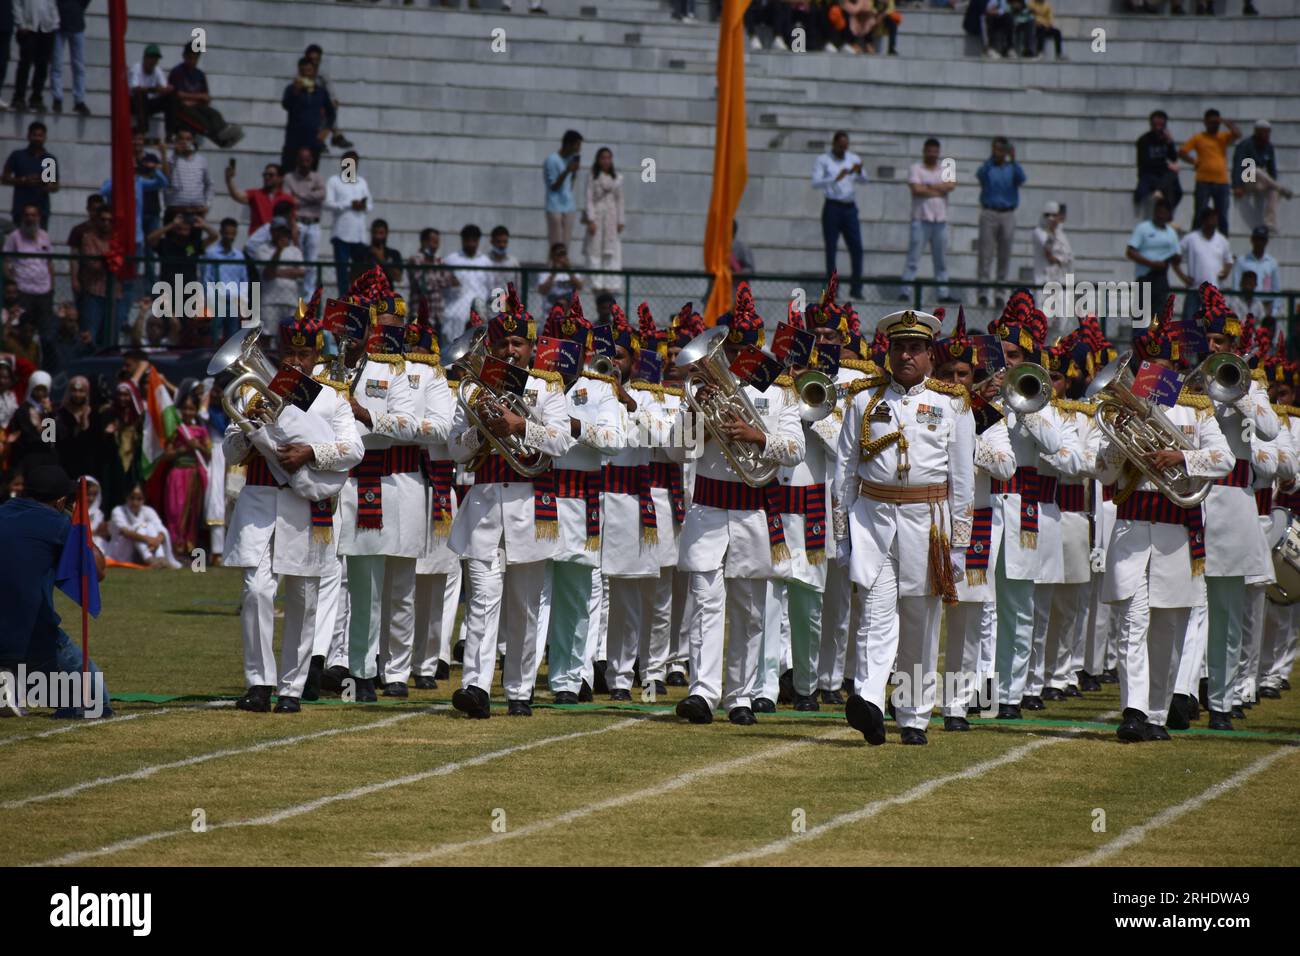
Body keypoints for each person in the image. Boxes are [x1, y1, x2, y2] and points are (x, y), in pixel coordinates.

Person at [832, 307, 974, 744]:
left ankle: (913, 716)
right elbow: (844, 470)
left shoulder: (952, 404)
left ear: (930, 354)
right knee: (873, 614)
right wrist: (841, 535)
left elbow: (963, 480)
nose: (906, 356)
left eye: (915, 348)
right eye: (898, 348)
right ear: (888, 351)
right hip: (873, 518)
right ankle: (870, 702)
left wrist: (958, 546)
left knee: (920, 618)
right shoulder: (863, 398)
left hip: (927, 521)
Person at [671, 287, 805, 726]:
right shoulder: (701, 388)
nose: (738, 352)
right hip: (709, 507)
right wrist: (700, 425)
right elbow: (677, 450)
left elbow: (795, 450)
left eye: (746, 345)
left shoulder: (780, 389)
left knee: (749, 609)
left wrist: (758, 437)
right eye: (731, 346)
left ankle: (741, 695)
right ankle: (702, 692)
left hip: (753, 509)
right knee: (706, 603)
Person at [1095, 314, 1231, 741]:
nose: (1152, 372)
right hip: (1133, 526)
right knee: (1132, 623)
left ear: (1173, 367)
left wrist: (1182, 459)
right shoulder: (1120, 410)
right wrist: (1118, 446)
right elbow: (1102, 473)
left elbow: (1224, 459)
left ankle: (1155, 714)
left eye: (1160, 364)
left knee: (1168, 627)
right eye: (1146, 363)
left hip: (1175, 529)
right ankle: (1132, 710)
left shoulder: (1197, 411)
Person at [222, 307, 364, 712]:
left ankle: (291, 687)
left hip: (305, 502)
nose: (295, 361)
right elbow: (230, 451)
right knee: (256, 591)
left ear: (316, 355)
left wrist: (310, 452)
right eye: (290, 352)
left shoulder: (330, 397)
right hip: (260, 500)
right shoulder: (252, 391)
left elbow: (353, 449)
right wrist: (247, 430)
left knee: (303, 597)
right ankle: (258, 683)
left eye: (304, 354)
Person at [447, 301, 576, 718]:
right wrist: (480, 433)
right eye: (502, 342)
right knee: (482, 601)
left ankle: (520, 690)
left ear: (532, 346)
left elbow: (561, 443)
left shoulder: (547, 387)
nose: (509, 350)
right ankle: (476, 688)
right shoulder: (473, 386)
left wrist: (521, 426)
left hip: (530, 504)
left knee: (524, 606)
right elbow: (452, 448)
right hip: (484, 505)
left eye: (517, 343)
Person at [1172, 284, 1278, 732]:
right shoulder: (1182, 382)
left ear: (1234, 346)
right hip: (1190, 502)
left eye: (1221, 344)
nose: (1213, 349)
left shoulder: (1246, 385)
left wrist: (1243, 394)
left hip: (1233, 505)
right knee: (1188, 607)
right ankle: (1179, 694)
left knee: (1230, 612)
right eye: (1208, 343)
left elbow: (1271, 431)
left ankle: (1223, 699)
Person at [336, 268, 421, 702]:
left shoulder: (399, 370)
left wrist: (366, 416)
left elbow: (409, 426)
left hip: (398, 483)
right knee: (362, 586)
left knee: (401, 588)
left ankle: (398, 671)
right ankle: (360, 672)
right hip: (350, 482)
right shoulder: (328, 364)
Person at [542, 299, 625, 705]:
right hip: (538, 495)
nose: (561, 354)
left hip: (580, 499)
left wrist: (573, 424)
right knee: (535, 594)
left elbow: (614, 440)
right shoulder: (534, 384)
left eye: (570, 346)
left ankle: (569, 680)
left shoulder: (600, 389)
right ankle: (523, 680)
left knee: (575, 597)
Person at [0, 462, 110, 719]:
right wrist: (75, 523)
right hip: (30, 637)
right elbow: (98, 569)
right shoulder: (57, 523)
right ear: (61, 500)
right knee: (95, 704)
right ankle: (14, 680)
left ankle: (9, 681)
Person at [396, 312, 456, 693]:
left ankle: (428, 663)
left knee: (435, 582)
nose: (416, 355)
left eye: (423, 348)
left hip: (438, 488)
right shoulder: (396, 378)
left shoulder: (443, 385)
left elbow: (444, 429)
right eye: (410, 348)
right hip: (406, 483)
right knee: (402, 582)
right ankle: (394, 663)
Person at [812, 131, 867, 299]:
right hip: (832, 207)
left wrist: (858, 172)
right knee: (831, 249)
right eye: (840, 146)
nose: (843, 149)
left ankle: (856, 287)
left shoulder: (853, 158)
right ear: (834, 144)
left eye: (845, 146)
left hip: (850, 208)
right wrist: (835, 178)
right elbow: (815, 182)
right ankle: (832, 288)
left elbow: (865, 180)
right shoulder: (823, 160)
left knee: (857, 247)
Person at [899, 138, 955, 303]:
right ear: (924, 151)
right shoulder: (916, 168)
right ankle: (905, 290)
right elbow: (916, 189)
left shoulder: (946, 167)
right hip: (921, 220)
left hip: (940, 222)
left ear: (938, 152)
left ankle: (943, 293)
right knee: (913, 258)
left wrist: (927, 187)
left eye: (935, 151)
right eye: (929, 150)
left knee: (941, 261)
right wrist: (939, 188)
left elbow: (950, 186)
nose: (932, 154)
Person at [160, 388, 211, 560]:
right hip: (177, 475)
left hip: (194, 475)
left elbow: (209, 454)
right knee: (175, 511)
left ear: (196, 410)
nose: (188, 412)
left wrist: (198, 446)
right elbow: (166, 455)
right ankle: (175, 550)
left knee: (192, 513)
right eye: (185, 408)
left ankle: (191, 551)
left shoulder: (201, 431)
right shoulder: (175, 430)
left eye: (192, 408)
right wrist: (183, 448)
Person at [975, 137, 1026, 307]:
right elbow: (980, 175)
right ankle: (982, 291)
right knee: (985, 254)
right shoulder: (989, 167)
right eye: (996, 148)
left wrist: (1013, 158)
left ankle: (1000, 292)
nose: (999, 152)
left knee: (1004, 255)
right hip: (989, 212)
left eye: (1002, 148)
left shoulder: (1012, 168)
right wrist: (992, 158)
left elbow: (1022, 178)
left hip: (1008, 213)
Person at [165, 45, 243, 147]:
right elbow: (176, 94)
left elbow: (206, 96)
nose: (192, 61)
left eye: (195, 58)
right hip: (181, 108)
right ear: (184, 56)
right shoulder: (177, 72)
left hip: (197, 105)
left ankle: (224, 133)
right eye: (190, 58)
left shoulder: (199, 74)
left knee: (215, 114)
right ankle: (221, 141)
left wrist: (195, 99)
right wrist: (198, 97)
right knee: (202, 122)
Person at [1179, 109, 1240, 236]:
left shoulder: (1223, 136)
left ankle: (1223, 245)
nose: (1214, 125)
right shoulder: (1198, 137)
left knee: (1222, 215)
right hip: (1203, 181)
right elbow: (1182, 152)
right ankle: (1194, 240)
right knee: (1200, 212)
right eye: (1211, 122)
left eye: (1216, 122)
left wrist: (1225, 122)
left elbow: (1237, 134)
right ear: (1205, 122)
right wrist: (1194, 161)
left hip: (1221, 181)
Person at [3, 203, 55, 347]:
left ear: (38, 217)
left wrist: (52, 287)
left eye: (33, 215)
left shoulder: (45, 236)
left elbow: (51, 184)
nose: (30, 218)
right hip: (23, 291)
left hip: (43, 291)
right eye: (27, 215)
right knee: (19, 328)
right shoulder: (14, 237)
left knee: (47, 334)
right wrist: (12, 280)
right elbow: (5, 261)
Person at [1232, 120, 1292, 237]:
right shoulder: (1245, 145)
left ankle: (1270, 223)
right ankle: (1281, 188)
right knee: (1257, 170)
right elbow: (1238, 166)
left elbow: (1272, 169)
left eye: (1268, 133)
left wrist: (1271, 182)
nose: (1266, 136)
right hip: (1247, 180)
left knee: (1273, 190)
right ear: (1257, 132)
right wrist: (1237, 185)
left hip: (1260, 182)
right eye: (1263, 132)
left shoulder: (1269, 147)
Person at [324, 150, 371, 295]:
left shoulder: (362, 182)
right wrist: (349, 204)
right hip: (342, 234)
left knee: (360, 273)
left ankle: (358, 299)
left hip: (359, 236)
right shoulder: (334, 181)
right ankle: (343, 300)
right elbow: (328, 203)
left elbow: (370, 206)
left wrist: (361, 205)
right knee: (342, 273)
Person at [1125, 196, 1181, 320]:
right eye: (1159, 212)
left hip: (1161, 278)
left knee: (1158, 316)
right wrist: (1150, 263)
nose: (1161, 215)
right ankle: (1139, 338)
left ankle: (1154, 336)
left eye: (1164, 213)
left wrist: (1175, 259)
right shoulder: (1143, 228)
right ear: (1154, 212)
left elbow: (1177, 255)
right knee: (1141, 315)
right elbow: (1130, 251)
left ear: (1168, 215)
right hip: (1145, 276)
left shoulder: (1171, 233)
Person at [1174, 207, 1232, 322]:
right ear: (1203, 221)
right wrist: (1183, 277)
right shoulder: (1190, 238)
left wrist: (1225, 272)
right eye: (1210, 218)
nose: (1213, 221)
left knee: (1212, 326)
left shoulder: (1222, 240)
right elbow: (1175, 258)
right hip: (1194, 289)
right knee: (1189, 324)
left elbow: (1229, 261)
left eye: (1215, 218)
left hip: (1214, 291)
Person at [283, 147, 327, 298]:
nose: (305, 163)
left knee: (312, 263)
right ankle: (295, 295)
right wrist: (310, 196)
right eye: (302, 159)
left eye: (307, 160)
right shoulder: (289, 178)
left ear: (312, 161)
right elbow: (289, 200)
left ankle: (308, 299)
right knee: (296, 259)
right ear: (297, 160)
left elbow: (322, 195)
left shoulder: (317, 177)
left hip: (314, 223)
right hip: (297, 223)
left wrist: (300, 196)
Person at [105, 480, 179, 568]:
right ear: (126, 497)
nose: (135, 503)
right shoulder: (118, 511)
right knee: (138, 527)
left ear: (144, 499)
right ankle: (149, 559)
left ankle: (160, 557)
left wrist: (156, 540)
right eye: (132, 498)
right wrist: (149, 540)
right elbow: (125, 532)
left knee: (150, 526)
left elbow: (161, 529)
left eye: (139, 499)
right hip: (123, 552)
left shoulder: (148, 511)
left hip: (149, 547)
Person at [280, 56, 335, 172]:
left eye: (309, 71)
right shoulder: (291, 89)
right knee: (288, 171)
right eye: (303, 71)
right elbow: (286, 105)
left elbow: (331, 113)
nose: (306, 74)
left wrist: (326, 130)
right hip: (293, 139)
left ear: (314, 72)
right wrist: (296, 92)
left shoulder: (321, 92)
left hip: (313, 140)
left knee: (311, 173)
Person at [442, 224, 493, 343]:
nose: (471, 243)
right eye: (468, 240)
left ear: (478, 241)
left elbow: (492, 288)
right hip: (455, 311)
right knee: (453, 345)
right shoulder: (451, 260)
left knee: (477, 346)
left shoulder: (485, 262)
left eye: (474, 240)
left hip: (480, 310)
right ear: (462, 240)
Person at [582, 148, 624, 292]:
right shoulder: (592, 176)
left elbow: (620, 200)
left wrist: (620, 220)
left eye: (608, 158)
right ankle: (596, 283)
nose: (606, 161)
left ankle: (610, 283)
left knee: (611, 250)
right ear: (598, 160)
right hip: (598, 215)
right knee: (595, 249)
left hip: (611, 217)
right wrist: (591, 219)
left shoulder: (617, 178)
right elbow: (589, 198)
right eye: (603, 158)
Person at [255, 218, 305, 338]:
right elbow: (268, 274)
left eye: (284, 232)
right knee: (267, 336)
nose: (282, 235)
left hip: (291, 301)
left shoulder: (295, 250)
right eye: (279, 231)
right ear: (272, 231)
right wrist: (278, 250)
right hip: (270, 302)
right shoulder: (263, 249)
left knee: (289, 337)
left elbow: (301, 272)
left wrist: (277, 272)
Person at [3, 121, 58, 228]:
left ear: (45, 137)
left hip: (41, 211)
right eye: (34, 135)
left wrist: (44, 183)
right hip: (21, 210)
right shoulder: (17, 156)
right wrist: (23, 180)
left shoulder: (49, 159)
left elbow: (54, 186)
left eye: (40, 136)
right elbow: (5, 178)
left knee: (40, 243)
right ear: (28, 136)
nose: (37, 138)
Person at [1134, 110, 1183, 222]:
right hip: (1148, 174)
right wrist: (1167, 166)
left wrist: (1170, 142)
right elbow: (1146, 162)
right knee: (1170, 183)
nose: (1158, 127)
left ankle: (1160, 192)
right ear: (1151, 124)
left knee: (1176, 188)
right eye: (1156, 124)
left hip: (1162, 175)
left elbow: (1174, 158)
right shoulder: (1144, 140)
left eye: (1161, 124)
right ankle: (1168, 219)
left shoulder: (1165, 139)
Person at [407, 228, 455, 339]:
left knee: (435, 353)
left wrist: (431, 277)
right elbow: (423, 284)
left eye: (437, 243)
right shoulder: (414, 260)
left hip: (437, 315)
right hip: (419, 316)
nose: (435, 246)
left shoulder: (439, 261)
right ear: (424, 242)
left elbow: (451, 280)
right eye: (433, 242)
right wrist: (439, 279)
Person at [225, 161, 294, 235]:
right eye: (265, 175)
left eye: (271, 175)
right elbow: (237, 196)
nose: (267, 177)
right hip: (257, 239)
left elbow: (291, 223)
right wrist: (229, 180)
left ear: (280, 178)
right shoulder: (255, 194)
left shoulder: (287, 199)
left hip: (278, 239)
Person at [11, 0, 57, 112]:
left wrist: (55, 22)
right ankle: (19, 97)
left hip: (46, 28)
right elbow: (16, 4)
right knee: (25, 63)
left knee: (42, 64)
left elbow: (52, 4)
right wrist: (21, 24)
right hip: (29, 27)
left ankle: (36, 97)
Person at [1229, 226, 1283, 320]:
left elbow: (1276, 290)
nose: (1259, 243)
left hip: (1265, 305)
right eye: (1257, 239)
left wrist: (1272, 312)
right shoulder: (1242, 261)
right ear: (1252, 240)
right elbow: (1236, 287)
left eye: (1262, 239)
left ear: (1266, 242)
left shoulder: (1272, 263)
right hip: (1246, 305)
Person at [543, 129, 584, 252]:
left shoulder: (571, 159)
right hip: (554, 206)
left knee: (566, 245)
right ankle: (553, 269)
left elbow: (569, 186)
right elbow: (554, 186)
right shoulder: (551, 160)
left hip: (568, 206)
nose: (579, 148)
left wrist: (574, 172)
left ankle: (563, 269)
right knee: (556, 244)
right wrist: (567, 170)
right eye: (577, 145)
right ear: (568, 144)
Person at [162, 129, 212, 219]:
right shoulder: (170, 159)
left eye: (188, 139)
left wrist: (207, 204)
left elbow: (209, 184)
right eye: (181, 139)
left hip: (196, 211)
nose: (185, 142)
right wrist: (175, 153)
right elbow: (165, 178)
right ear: (176, 141)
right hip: (175, 211)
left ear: (193, 141)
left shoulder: (201, 160)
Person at [49, 0, 88, 115]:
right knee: (56, 64)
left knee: (79, 66)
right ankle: (57, 98)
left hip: (76, 24)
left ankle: (79, 100)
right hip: (59, 25)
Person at [129, 43, 169, 134]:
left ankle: (170, 132)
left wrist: (163, 90)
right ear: (145, 58)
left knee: (170, 97)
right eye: (151, 58)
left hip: (148, 103)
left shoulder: (157, 70)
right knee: (140, 95)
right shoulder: (136, 68)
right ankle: (142, 129)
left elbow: (164, 89)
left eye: (156, 59)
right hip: (134, 103)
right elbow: (135, 89)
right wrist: (155, 89)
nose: (153, 61)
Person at [352, 218, 402, 290]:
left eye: (381, 233)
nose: (378, 236)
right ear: (371, 233)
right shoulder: (362, 253)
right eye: (375, 233)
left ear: (386, 233)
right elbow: (353, 277)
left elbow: (398, 278)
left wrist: (382, 260)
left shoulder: (394, 254)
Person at [538, 242, 584, 312]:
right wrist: (553, 273)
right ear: (552, 256)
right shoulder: (545, 272)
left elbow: (579, 286)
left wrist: (569, 270)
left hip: (569, 316)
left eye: (564, 254)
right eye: (558, 255)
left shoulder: (572, 272)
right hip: (550, 314)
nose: (561, 257)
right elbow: (542, 291)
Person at [483, 225, 520, 302]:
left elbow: (518, 286)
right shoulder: (485, 261)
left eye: (505, 242)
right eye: (499, 242)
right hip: (489, 307)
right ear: (492, 242)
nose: (502, 245)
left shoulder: (513, 263)